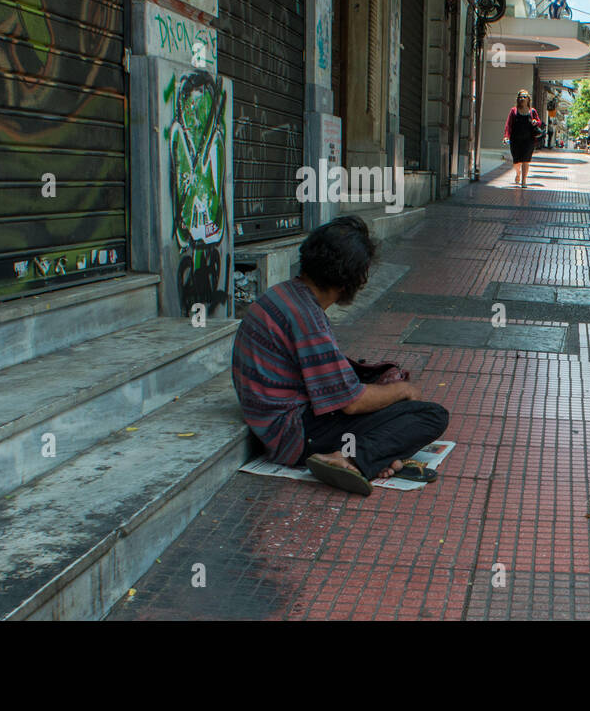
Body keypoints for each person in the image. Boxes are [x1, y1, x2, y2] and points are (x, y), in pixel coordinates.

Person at [231, 215, 450, 496]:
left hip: (279, 421)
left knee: (384, 402)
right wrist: (402, 391)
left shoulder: (283, 294)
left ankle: (373, 458)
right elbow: (351, 403)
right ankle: (348, 458)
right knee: (431, 416)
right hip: (293, 434)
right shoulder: (306, 317)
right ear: (352, 280)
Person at [503, 90, 541, 187]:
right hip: (516, 139)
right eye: (520, 97)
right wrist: (506, 136)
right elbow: (508, 124)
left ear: (528, 99)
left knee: (526, 160)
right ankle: (518, 173)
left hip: (529, 140)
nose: (522, 99)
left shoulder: (532, 111)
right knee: (516, 161)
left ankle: (524, 181)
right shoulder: (513, 111)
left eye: (524, 97)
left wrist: (535, 122)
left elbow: (539, 122)